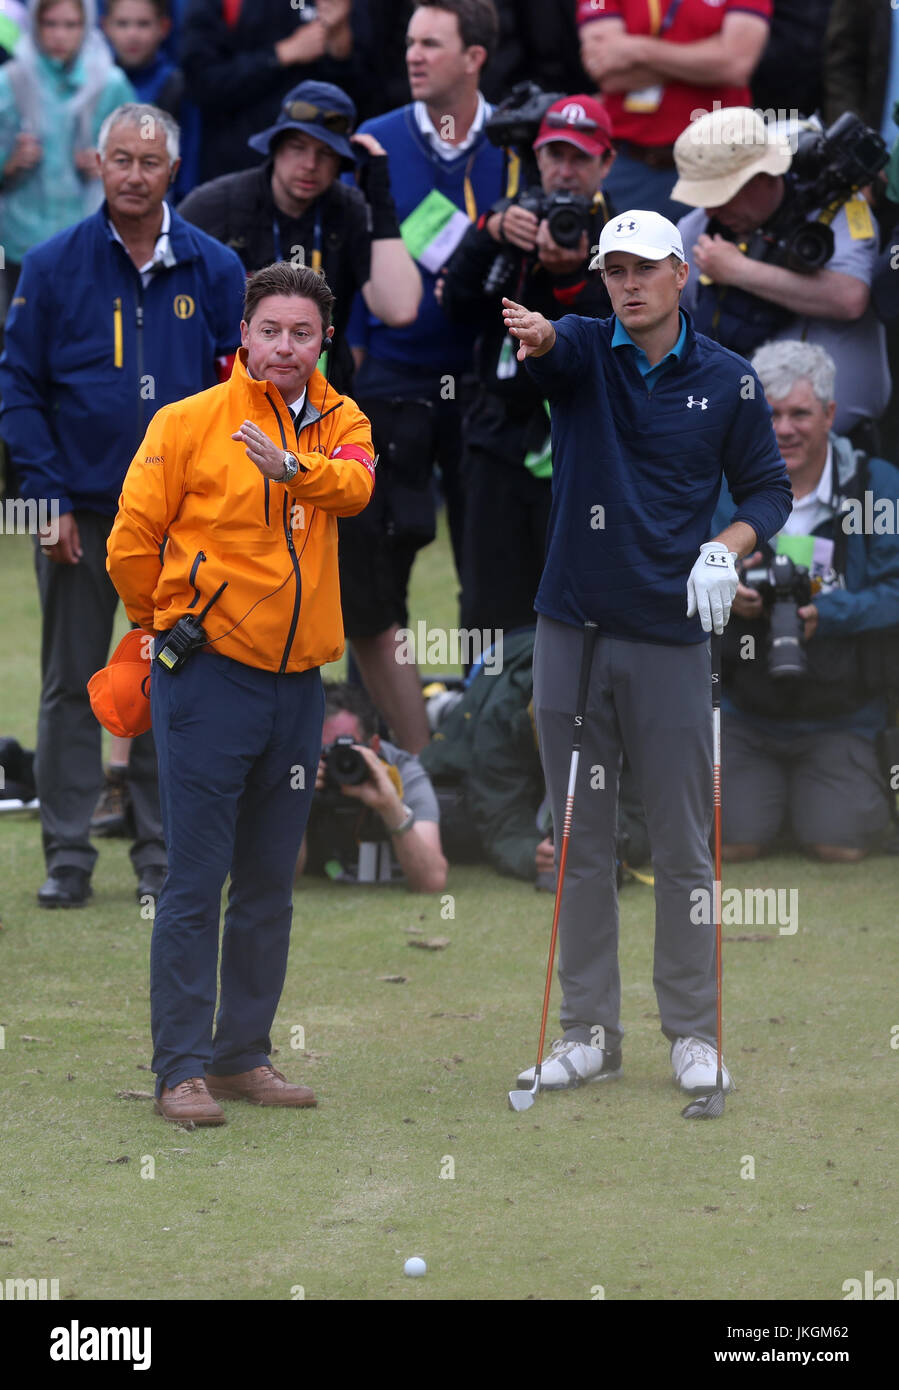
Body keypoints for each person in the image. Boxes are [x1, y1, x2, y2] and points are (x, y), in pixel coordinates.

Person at [500, 208, 791, 1097]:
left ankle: (693, 1032)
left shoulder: (730, 381)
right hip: (573, 631)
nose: (625, 285)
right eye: (612, 270)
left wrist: (725, 545)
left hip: (668, 638)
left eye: (641, 270)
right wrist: (541, 332)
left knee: (680, 841)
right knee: (580, 833)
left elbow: (767, 492)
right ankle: (587, 1030)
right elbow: (551, 351)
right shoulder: (587, 348)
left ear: (679, 277)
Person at [106, 262, 376, 1126]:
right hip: (209, 678)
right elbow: (129, 540)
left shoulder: (344, 420)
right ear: (244, 335)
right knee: (195, 877)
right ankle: (179, 1069)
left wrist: (291, 466)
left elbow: (358, 487)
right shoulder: (187, 422)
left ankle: (241, 1057)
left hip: (299, 685)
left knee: (268, 880)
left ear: (323, 339)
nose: (286, 348)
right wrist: (169, 623)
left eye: (302, 333)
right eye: (271, 332)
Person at [0, 102, 247, 909]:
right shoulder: (50, 265)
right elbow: (19, 386)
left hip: (183, 521)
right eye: (119, 159)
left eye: (149, 161)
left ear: (174, 172)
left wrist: (216, 505)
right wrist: (43, 496)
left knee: (171, 680)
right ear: (96, 165)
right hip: (79, 511)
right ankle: (68, 853)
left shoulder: (215, 267)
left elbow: (235, 390)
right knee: (72, 682)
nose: (133, 174)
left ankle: (160, 852)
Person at [340, 0, 508, 754]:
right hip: (389, 389)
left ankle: (485, 732)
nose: (413, 55)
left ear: (474, 57)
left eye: (431, 44)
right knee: (376, 569)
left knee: (489, 568)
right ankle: (376, 741)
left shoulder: (516, 142)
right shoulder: (370, 143)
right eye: (409, 42)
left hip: (484, 389)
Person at [710, 340, 898, 863]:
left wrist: (830, 614)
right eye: (770, 414)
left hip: (842, 712)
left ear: (830, 415)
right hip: (746, 709)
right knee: (733, 841)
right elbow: (672, 580)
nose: (784, 429)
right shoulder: (723, 490)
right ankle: (771, 797)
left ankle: (818, 796)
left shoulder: (875, 487)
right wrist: (727, 594)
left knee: (838, 843)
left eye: (800, 413)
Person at [440, 93, 615, 635]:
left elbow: (616, 344)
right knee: (488, 605)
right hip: (495, 437)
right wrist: (487, 233)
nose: (565, 172)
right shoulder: (512, 218)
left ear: (606, 163)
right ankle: (485, 714)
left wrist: (570, 281)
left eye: (580, 158)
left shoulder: (624, 233)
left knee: (575, 605)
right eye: (554, 155)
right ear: (536, 157)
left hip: (577, 445)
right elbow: (456, 307)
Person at [177, 79, 421, 395]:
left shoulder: (351, 211)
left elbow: (399, 310)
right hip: (227, 397)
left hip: (321, 403)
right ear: (275, 147)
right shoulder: (216, 206)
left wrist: (380, 200)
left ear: (340, 163)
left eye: (325, 153)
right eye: (298, 148)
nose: (310, 165)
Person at [673, 106, 891, 444]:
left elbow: (850, 299)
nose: (711, 209)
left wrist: (739, 271)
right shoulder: (699, 227)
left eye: (720, 195)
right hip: (737, 454)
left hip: (844, 452)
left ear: (763, 176)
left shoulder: (841, 209)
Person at [576, 0, 771, 223]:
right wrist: (708, 59)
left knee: (713, 256)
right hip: (629, 167)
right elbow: (605, 71)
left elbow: (736, 65)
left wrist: (637, 50)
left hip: (719, 166)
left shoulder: (635, 49)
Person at [0, 0, 134, 300]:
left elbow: (146, 154)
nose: (60, 35)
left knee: (81, 337)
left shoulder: (110, 84)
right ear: (35, 25)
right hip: (21, 235)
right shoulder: (10, 81)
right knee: (24, 334)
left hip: (89, 235)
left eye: (71, 24)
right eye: (50, 24)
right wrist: (8, 163)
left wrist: (111, 163)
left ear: (86, 25)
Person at [179, 0, 357, 184]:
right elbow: (203, 83)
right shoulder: (223, 6)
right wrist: (280, 55)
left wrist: (339, 37)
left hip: (319, 171)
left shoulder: (325, 6)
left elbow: (366, 95)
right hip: (236, 168)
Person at [296, 681, 447, 892]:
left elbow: (432, 880)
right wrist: (295, 803)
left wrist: (391, 807)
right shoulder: (294, 769)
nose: (335, 761)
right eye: (322, 751)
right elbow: (274, 883)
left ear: (374, 745)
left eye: (347, 750)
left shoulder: (401, 772)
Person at [101, 0, 200, 199]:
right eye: (122, 23)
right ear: (105, 27)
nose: (133, 35)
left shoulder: (176, 86)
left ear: (163, 27)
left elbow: (189, 160)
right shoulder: (96, 83)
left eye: (143, 24)